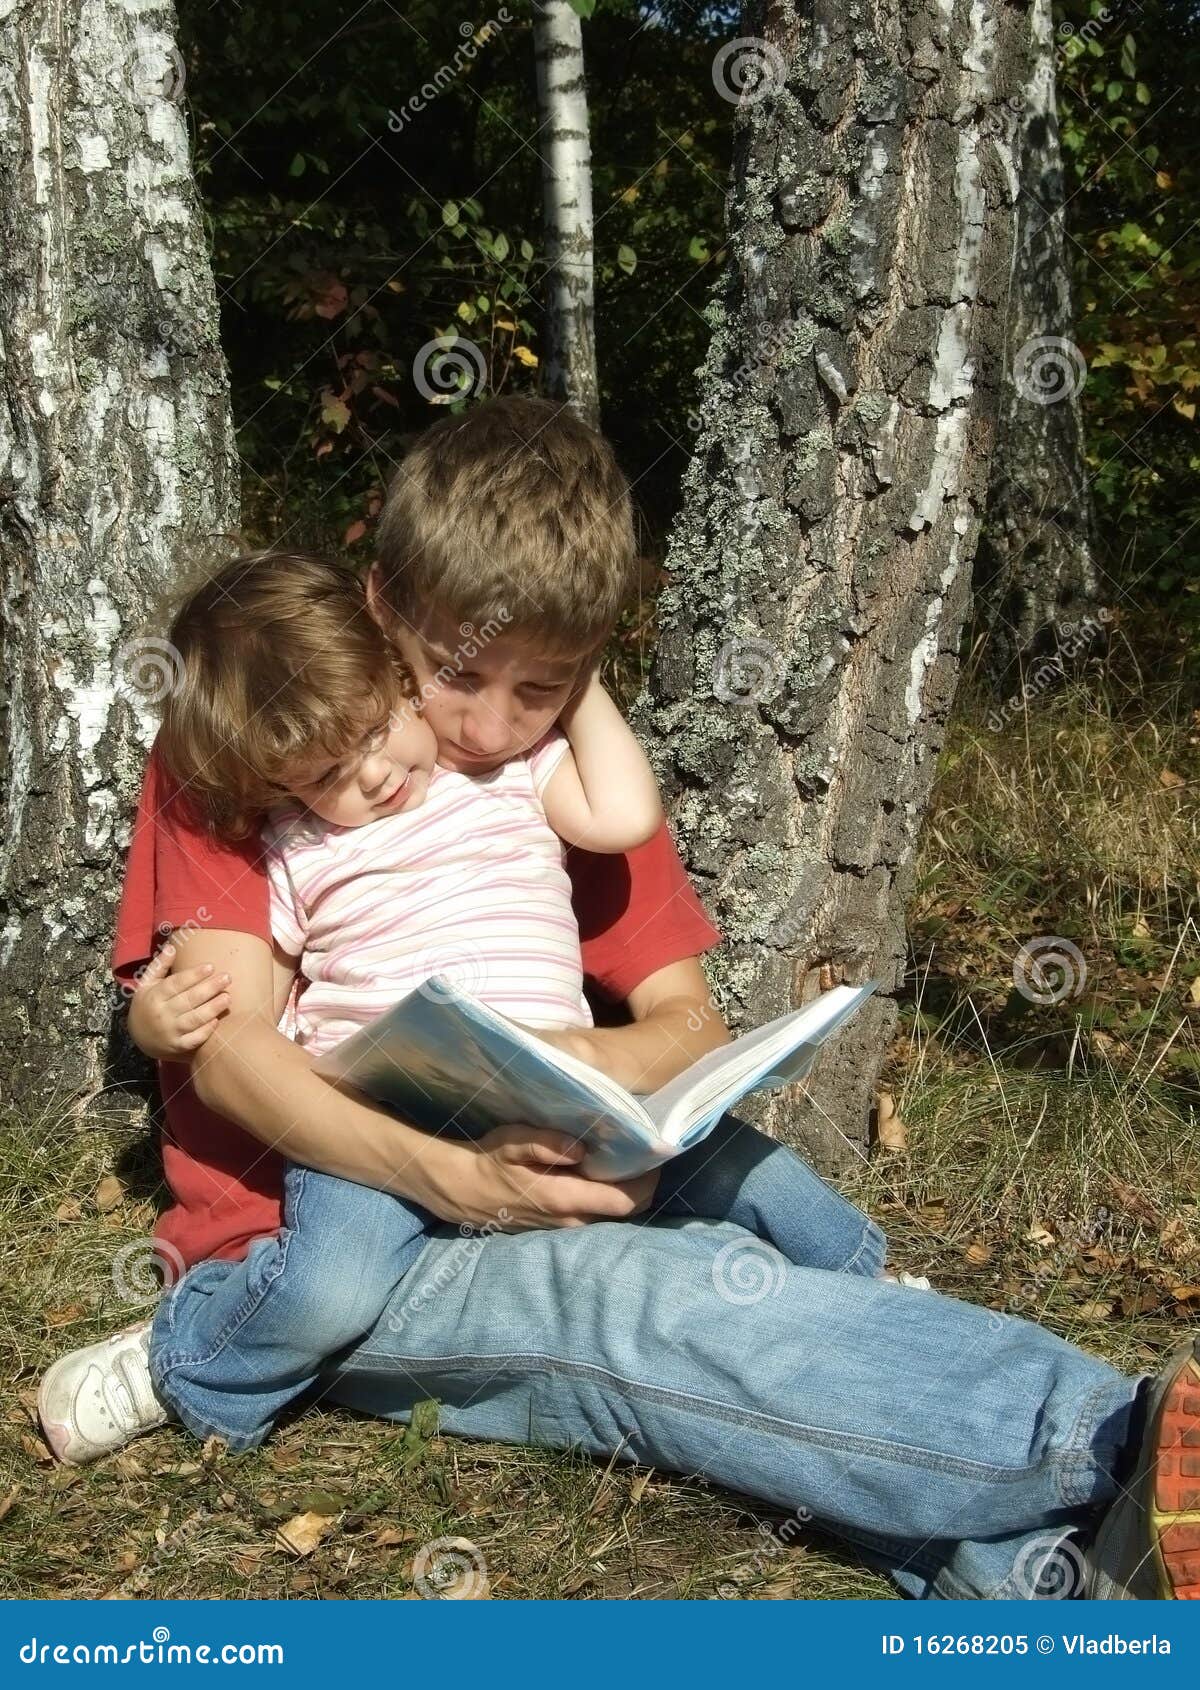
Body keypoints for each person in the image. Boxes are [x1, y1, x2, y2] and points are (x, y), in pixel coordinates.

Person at [35, 396, 1200, 1598]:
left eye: (543, 687)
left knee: (731, 1284)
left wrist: (582, 1082)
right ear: (382, 606)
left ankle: (1081, 1584)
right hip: (327, 1238)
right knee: (654, 1303)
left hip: (540, 1162)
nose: (489, 727)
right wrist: (457, 1175)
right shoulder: (270, 723)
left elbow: (686, 1026)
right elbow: (231, 1050)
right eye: (455, 675)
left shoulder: (530, 778)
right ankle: (1110, 1435)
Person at [41, 547, 884, 1456]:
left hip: (553, 1089)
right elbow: (248, 1024)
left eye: (375, 730)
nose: (369, 776)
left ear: (394, 676)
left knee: (750, 1169)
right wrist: (152, 1023)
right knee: (331, 1285)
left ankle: (876, 1293)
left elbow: (624, 816)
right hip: (379, 1114)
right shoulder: (294, 848)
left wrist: (575, 671)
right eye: (324, 775)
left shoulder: (516, 774)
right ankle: (192, 1358)